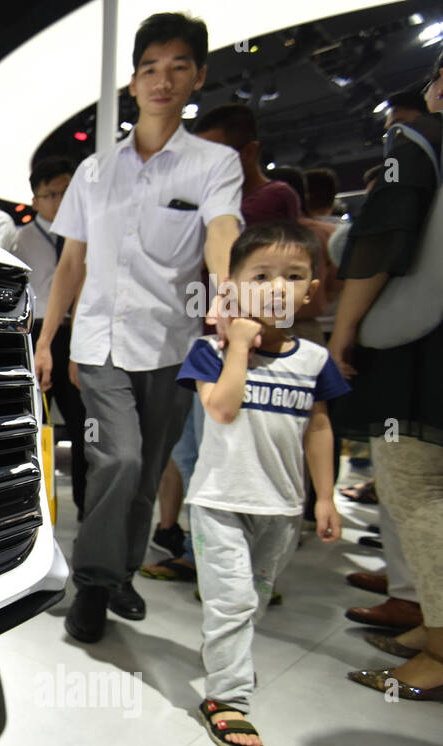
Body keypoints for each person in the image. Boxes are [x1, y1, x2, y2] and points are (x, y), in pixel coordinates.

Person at [35, 11, 244, 644]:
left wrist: (226, 284)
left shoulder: (213, 163)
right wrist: (47, 341)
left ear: (198, 76)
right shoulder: (95, 173)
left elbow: (220, 229)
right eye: (151, 68)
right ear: (132, 82)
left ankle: (123, 570)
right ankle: (95, 585)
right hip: (99, 344)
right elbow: (71, 260)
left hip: (171, 347)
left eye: (179, 66)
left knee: (147, 473)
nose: (163, 79)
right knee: (117, 459)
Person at [178, 220, 349, 746]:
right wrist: (239, 346)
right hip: (219, 501)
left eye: (293, 276)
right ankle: (227, 699)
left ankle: (229, 662)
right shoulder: (210, 351)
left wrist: (323, 496)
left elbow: (318, 428)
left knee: (251, 601)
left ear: (311, 290)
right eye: (262, 275)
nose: (278, 288)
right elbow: (222, 409)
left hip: (280, 506)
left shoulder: (314, 361)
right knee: (231, 601)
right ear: (232, 285)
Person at [143, 104, 301, 583]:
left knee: (243, 458)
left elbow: (284, 276)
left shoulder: (272, 199)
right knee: (192, 453)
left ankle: (247, 565)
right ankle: (204, 553)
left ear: (247, 150)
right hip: (205, 341)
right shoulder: (203, 195)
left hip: (251, 347)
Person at [330, 52, 443, 702]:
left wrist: (346, 330)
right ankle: (428, 627)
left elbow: (382, 238)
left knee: (420, 492)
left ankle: (436, 652)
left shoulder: (419, 141)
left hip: (426, 345)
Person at [10, 156, 90, 519]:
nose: (60, 201)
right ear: (35, 200)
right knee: (34, 420)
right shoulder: (20, 240)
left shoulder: (87, 235)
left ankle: (87, 503)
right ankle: (33, 505)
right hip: (38, 332)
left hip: (77, 331)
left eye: (65, 192)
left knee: (83, 423)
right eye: (51, 194)